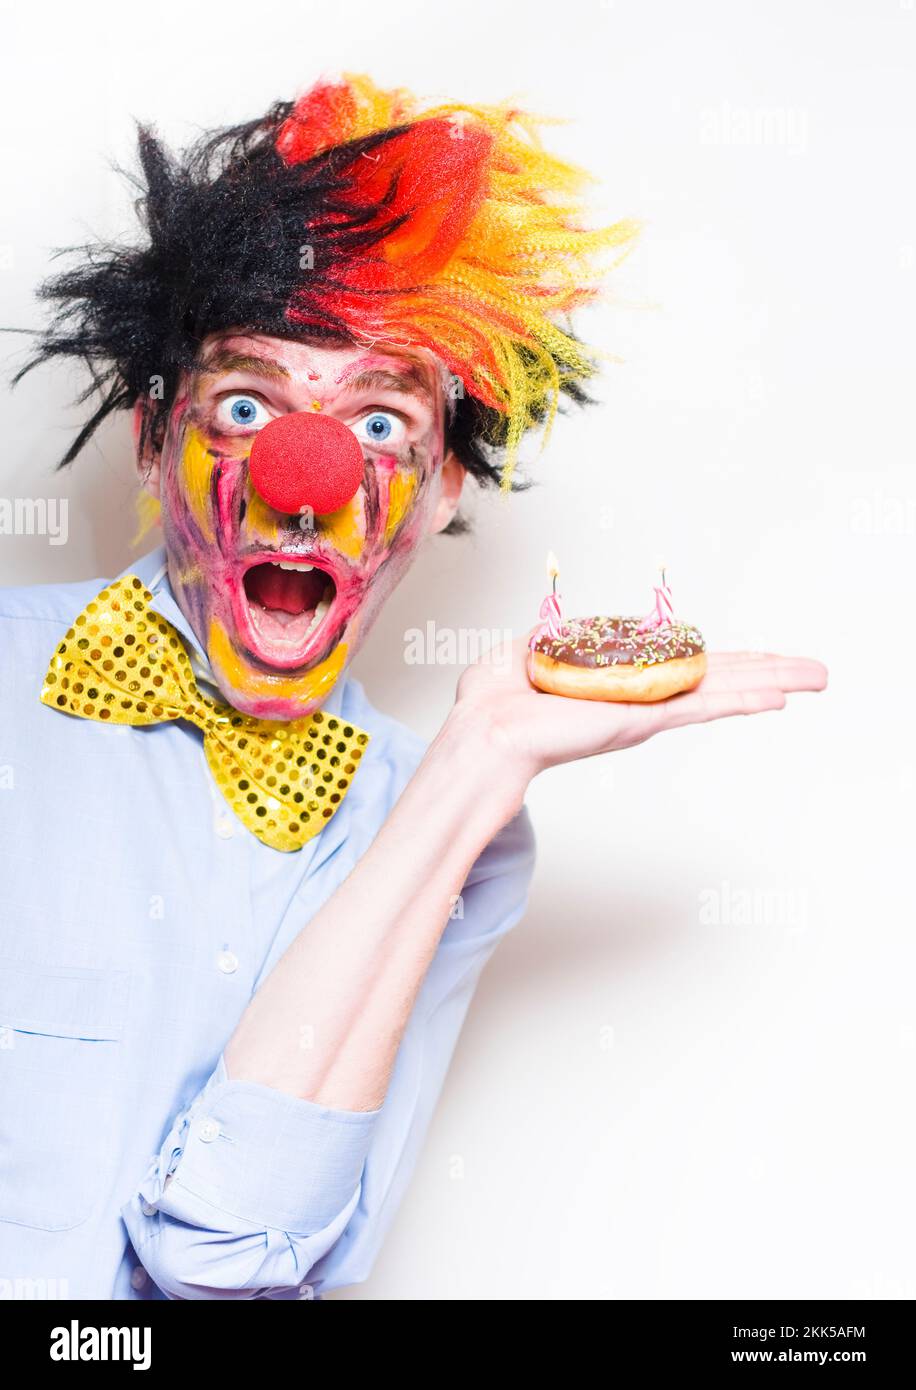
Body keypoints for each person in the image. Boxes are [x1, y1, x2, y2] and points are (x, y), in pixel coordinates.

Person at [0, 73, 826, 1300]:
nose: (307, 467)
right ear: (149, 433)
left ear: (443, 492)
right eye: (244, 403)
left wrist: (473, 775)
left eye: (381, 425)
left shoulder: (462, 835)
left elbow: (222, 1275)